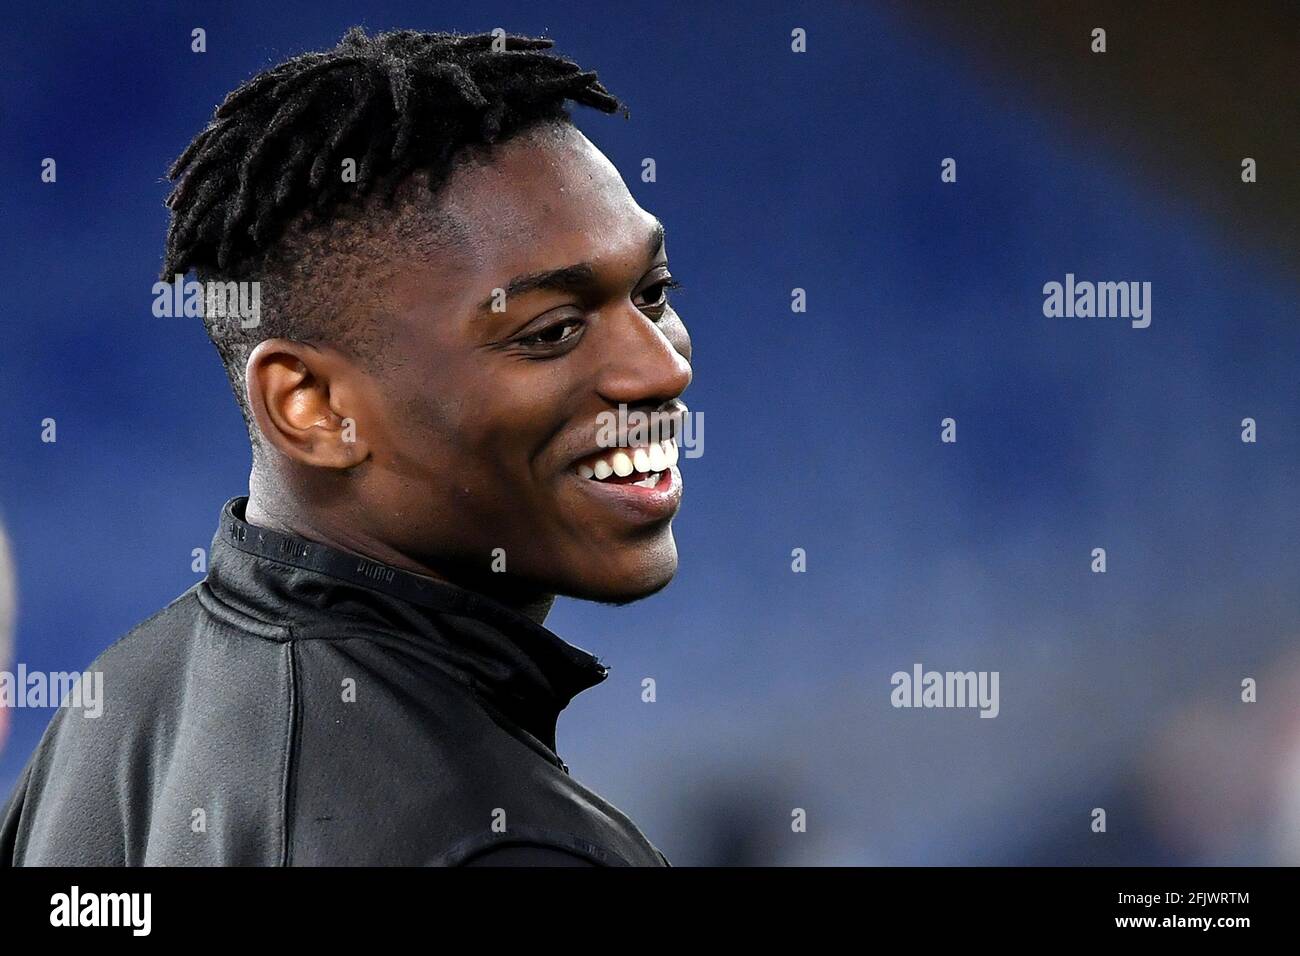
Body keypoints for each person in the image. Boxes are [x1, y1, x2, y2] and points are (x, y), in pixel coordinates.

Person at [1, 26, 691, 866]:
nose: (659, 370)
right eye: (552, 331)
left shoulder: (102, 724)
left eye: (652, 294)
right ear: (312, 406)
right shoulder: (504, 844)